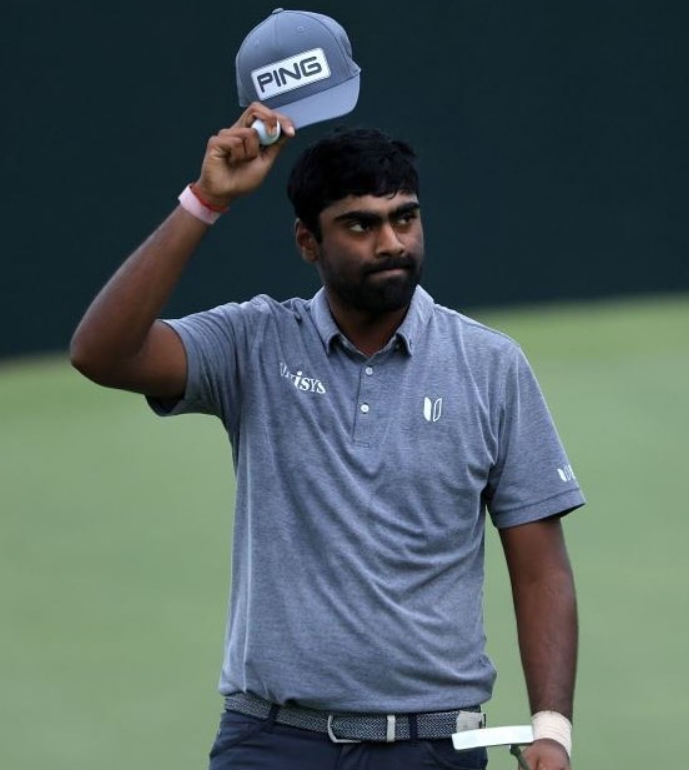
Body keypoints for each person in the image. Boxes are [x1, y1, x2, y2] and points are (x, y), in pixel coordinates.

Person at [70, 102, 585, 770]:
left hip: (431, 747)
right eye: (360, 225)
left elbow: (541, 567)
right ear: (307, 242)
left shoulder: (491, 365)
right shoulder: (253, 341)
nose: (391, 242)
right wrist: (205, 201)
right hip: (272, 742)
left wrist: (552, 728)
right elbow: (101, 353)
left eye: (405, 217)